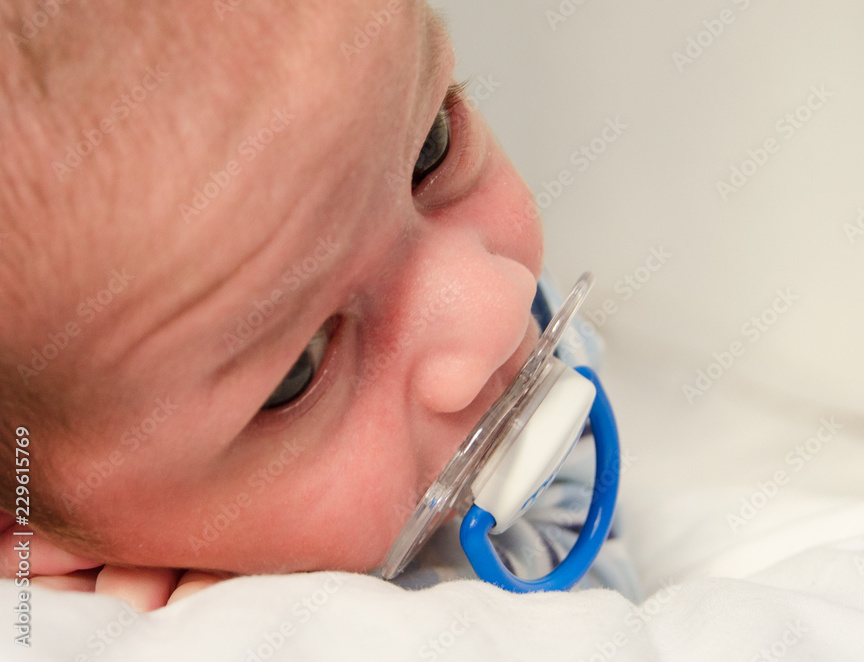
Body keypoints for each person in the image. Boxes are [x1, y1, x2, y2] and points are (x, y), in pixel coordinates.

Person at [0, 0, 638, 610]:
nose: (496, 309)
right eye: (300, 367)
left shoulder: (528, 330)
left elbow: (594, 553)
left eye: (430, 148)